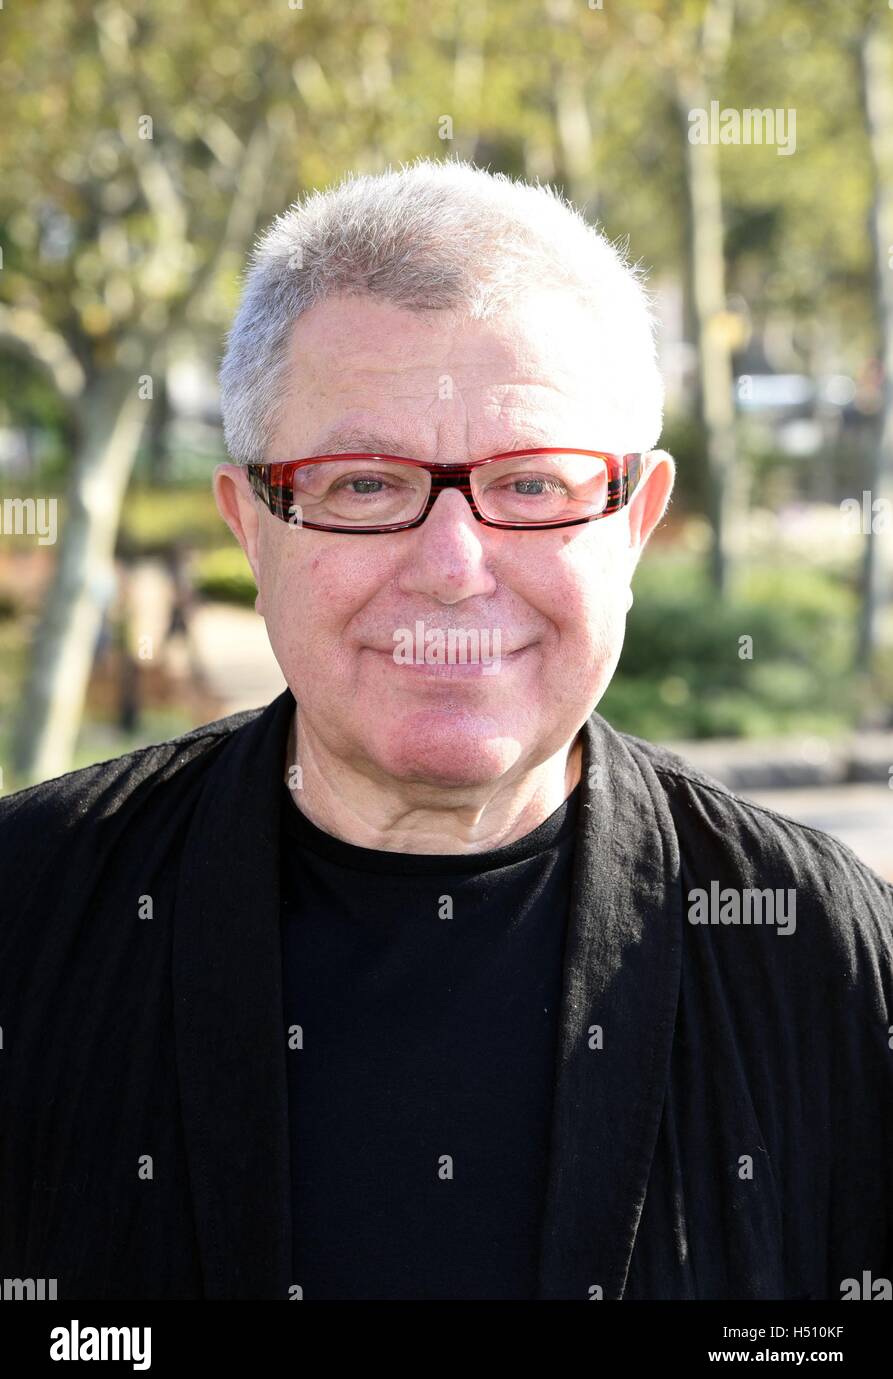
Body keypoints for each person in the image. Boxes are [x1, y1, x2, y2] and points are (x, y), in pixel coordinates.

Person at [1, 158, 891, 1301]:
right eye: (362, 484)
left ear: (636, 523)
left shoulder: (825, 960)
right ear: (249, 528)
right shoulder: (27, 916)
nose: (452, 566)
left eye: (531, 486)